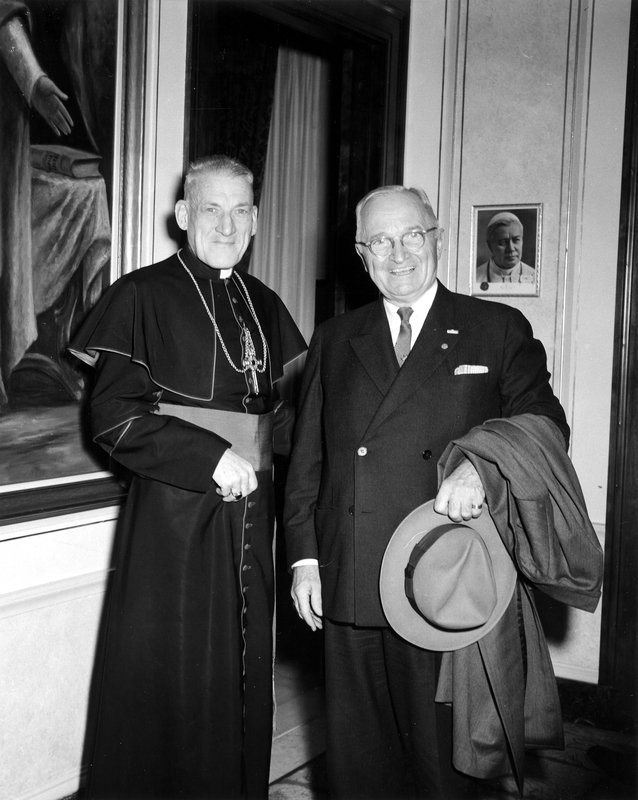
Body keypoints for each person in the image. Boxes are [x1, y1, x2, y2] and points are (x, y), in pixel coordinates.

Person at [284, 185, 571, 798]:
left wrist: (484, 466)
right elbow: (308, 459)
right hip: (351, 569)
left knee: (441, 760)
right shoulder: (336, 337)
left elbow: (546, 424)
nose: (398, 253)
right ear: (361, 255)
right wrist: (304, 558)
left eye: (411, 235)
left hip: (445, 571)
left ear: (435, 238)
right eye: (380, 241)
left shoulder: (494, 327)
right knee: (360, 762)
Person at [69, 155, 306, 799]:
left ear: (255, 220)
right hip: (176, 517)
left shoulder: (263, 301)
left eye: (240, 211)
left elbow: (279, 419)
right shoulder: (142, 294)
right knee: (174, 675)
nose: (226, 225)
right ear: (182, 216)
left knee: (245, 673)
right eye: (211, 208)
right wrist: (205, 455)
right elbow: (111, 417)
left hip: (254, 518)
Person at [475, 211, 535, 289]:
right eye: (503, 242)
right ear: (490, 245)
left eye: (516, 240)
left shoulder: (535, 277)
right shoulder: (475, 277)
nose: (511, 249)